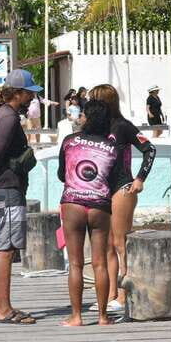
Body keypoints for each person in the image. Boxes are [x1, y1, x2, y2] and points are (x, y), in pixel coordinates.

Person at [0, 69, 42, 325]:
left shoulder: (1, 115)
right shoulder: (9, 118)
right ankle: (4, 308)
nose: (30, 98)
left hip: (1, 188)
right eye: (28, 93)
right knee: (6, 249)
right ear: (19, 93)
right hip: (8, 190)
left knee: (0, 247)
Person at [89, 84, 156, 313]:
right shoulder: (96, 128)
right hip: (100, 189)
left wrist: (140, 178)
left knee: (120, 243)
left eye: (94, 101)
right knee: (105, 244)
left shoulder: (123, 126)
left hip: (122, 187)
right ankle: (110, 294)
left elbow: (150, 149)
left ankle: (124, 294)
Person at [57, 100, 119, 327]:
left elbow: (61, 174)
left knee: (75, 264)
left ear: (88, 118)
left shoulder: (69, 141)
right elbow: (114, 179)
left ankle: (76, 317)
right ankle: (103, 317)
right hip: (99, 205)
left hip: (72, 202)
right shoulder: (112, 148)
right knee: (100, 262)